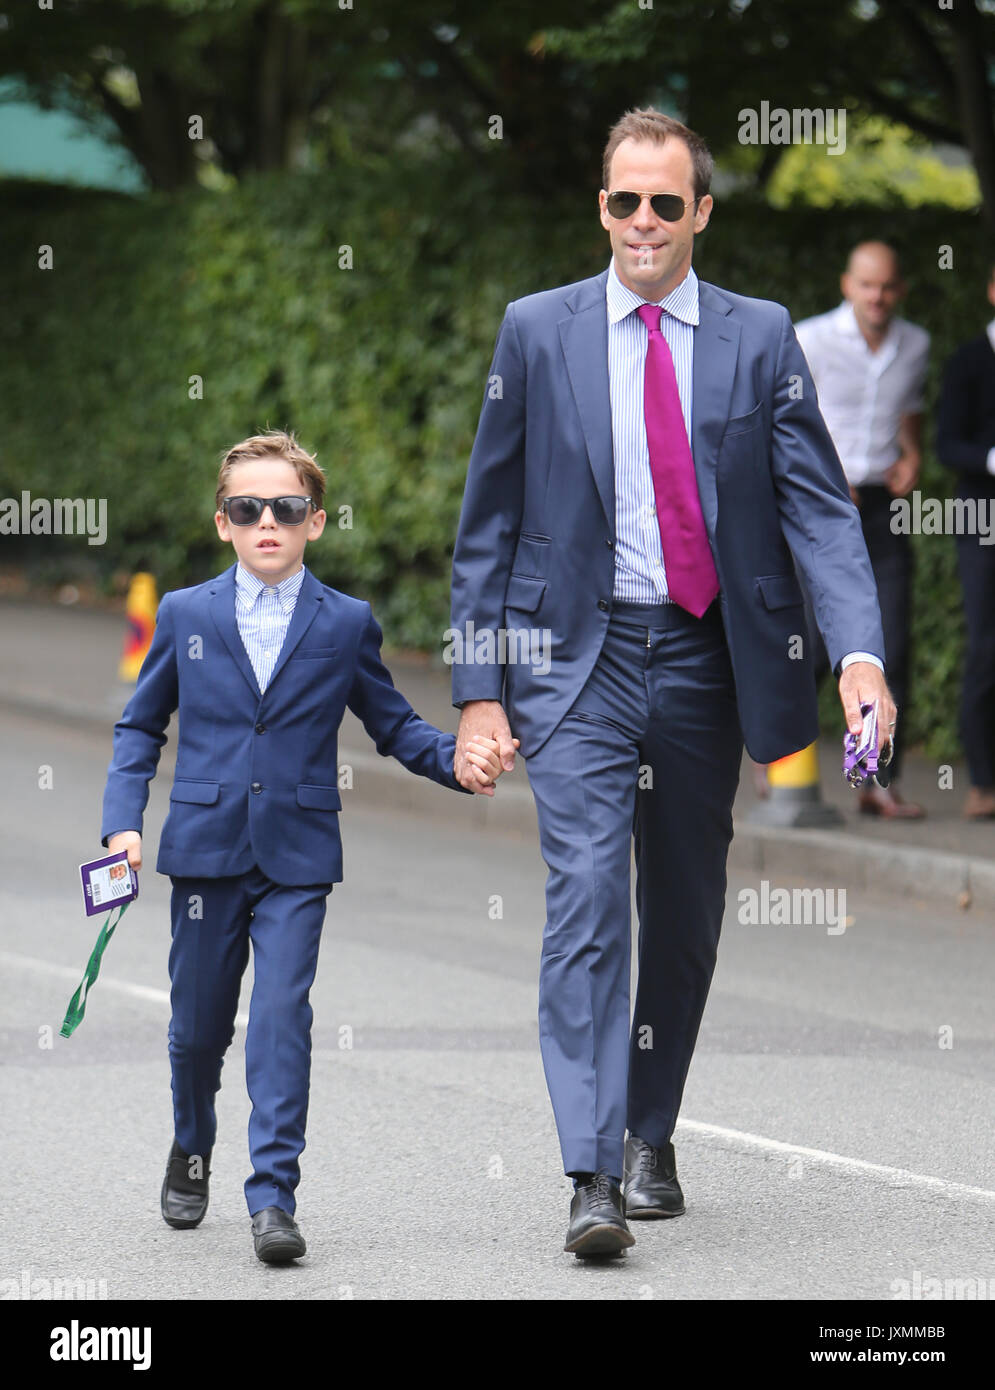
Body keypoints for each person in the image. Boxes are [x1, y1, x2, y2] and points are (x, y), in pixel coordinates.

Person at [450, 108, 894, 1259]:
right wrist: (480, 687)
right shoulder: (535, 333)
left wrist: (856, 655)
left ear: (698, 210)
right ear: (598, 208)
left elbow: (815, 508)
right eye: (619, 202)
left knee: (684, 913)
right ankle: (593, 1170)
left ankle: (652, 1127)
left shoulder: (756, 339)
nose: (639, 223)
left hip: (706, 659)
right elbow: (487, 526)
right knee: (589, 896)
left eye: (662, 203)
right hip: (575, 666)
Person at [100, 430, 508, 1264]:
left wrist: (458, 763)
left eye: (286, 509)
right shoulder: (183, 614)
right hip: (206, 851)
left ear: (315, 522)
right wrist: (122, 824)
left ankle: (273, 1199)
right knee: (195, 1032)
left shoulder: (345, 621)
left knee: (282, 1020)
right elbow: (140, 724)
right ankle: (190, 1140)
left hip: (297, 859)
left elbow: (392, 727)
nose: (267, 524)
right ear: (223, 523)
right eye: (247, 510)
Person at [795, 242, 929, 818]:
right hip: (820, 509)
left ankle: (871, 779)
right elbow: (786, 421)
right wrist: (822, 477)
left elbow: (909, 408)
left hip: (879, 509)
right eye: (867, 285)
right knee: (805, 648)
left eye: (888, 287)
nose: (878, 297)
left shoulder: (915, 345)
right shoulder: (809, 338)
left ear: (900, 290)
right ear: (847, 284)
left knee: (888, 645)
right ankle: (780, 765)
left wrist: (912, 453)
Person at [936, 261, 995, 819]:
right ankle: (981, 780)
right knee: (985, 647)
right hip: (982, 517)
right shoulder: (970, 360)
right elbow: (945, 444)